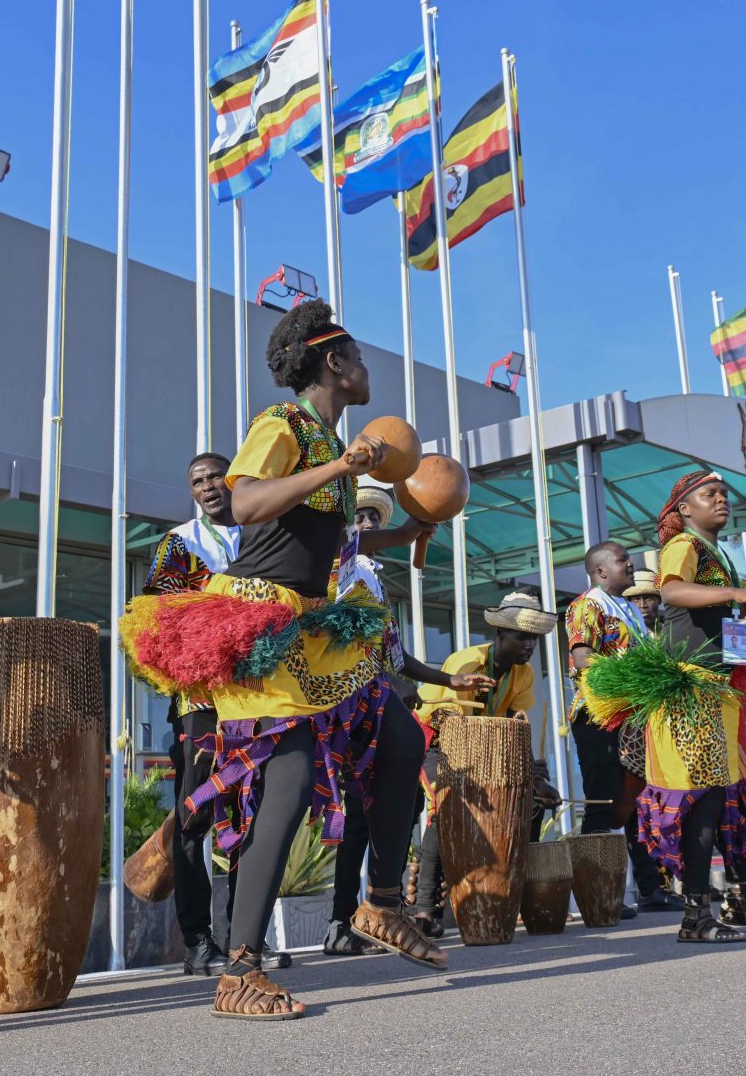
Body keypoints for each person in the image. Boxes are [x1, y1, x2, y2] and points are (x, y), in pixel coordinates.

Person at [117, 300, 444, 1019]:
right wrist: (340, 464)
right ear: (334, 361)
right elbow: (247, 503)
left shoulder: (333, 445)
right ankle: (239, 971)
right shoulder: (283, 425)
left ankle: (381, 902)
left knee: (399, 737)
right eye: (358, 357)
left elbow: (329, 544)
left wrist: (406, 532)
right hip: (257, 621)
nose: (366, 369)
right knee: (289, 781)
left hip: (312, 623)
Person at [583, 469, 746, 942]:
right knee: (704, 799)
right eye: (709, 494)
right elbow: (672, 590)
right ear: (683, 509)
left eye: (723, 493)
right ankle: (696, 916)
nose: (721, 499)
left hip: (720, 687)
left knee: (732, 795)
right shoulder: (683, 545)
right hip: (689, 689)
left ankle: (740, 899)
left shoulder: (718, 554)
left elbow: (718, 618)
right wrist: (736, 593)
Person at [324, 485, 496, 955]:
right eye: (360, 516)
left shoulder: (373, 580)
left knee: (394, 808)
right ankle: (341, 922)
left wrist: (448, 679)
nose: (367, 524)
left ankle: (381, 911)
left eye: (374, 518)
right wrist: (386, 682)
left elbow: (394, 655)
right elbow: (337, 643)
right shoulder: (337, 567)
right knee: (359, 817)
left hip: (376, 706)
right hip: (344, 705)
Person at [141, 451, 243, 976]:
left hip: (257, 700)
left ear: (234, 480)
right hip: (200, 700)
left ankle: (244, 939)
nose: (207, 487)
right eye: (197, 481)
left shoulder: (263, 534)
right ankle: (198, 941)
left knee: (250, 815)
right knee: (194, 816)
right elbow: (159, 615)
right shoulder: (180, 543)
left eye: (215, 476)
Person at [409, 591, 562, 929]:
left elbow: (516, 725)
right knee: (447, 807)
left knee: (529, 800)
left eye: (534, 638)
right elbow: (452, 725)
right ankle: (423, 908)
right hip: (437, 739)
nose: (529, 646)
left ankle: (513, 897)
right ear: (500, 634)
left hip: (479, 747)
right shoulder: (469, 662)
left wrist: (533, 775)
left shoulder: (524, 674)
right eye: (521, 637)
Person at [565, 543, 671, 913]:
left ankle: (651, 889)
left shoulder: (625, 608)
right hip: (598, 715)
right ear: (600, 571)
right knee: (603, 801)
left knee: (638, 802)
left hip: (632, 717)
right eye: (622, 559)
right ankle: (599, 897)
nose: (630, 563)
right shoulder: (587, 606)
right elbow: (583, 658)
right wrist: (633, 672)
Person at [627, 567, 663, 631]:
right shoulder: (623, 635)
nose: (642, 605)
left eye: (648, 598)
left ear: (659, 600)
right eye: (636, 599)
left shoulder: (673, 631)